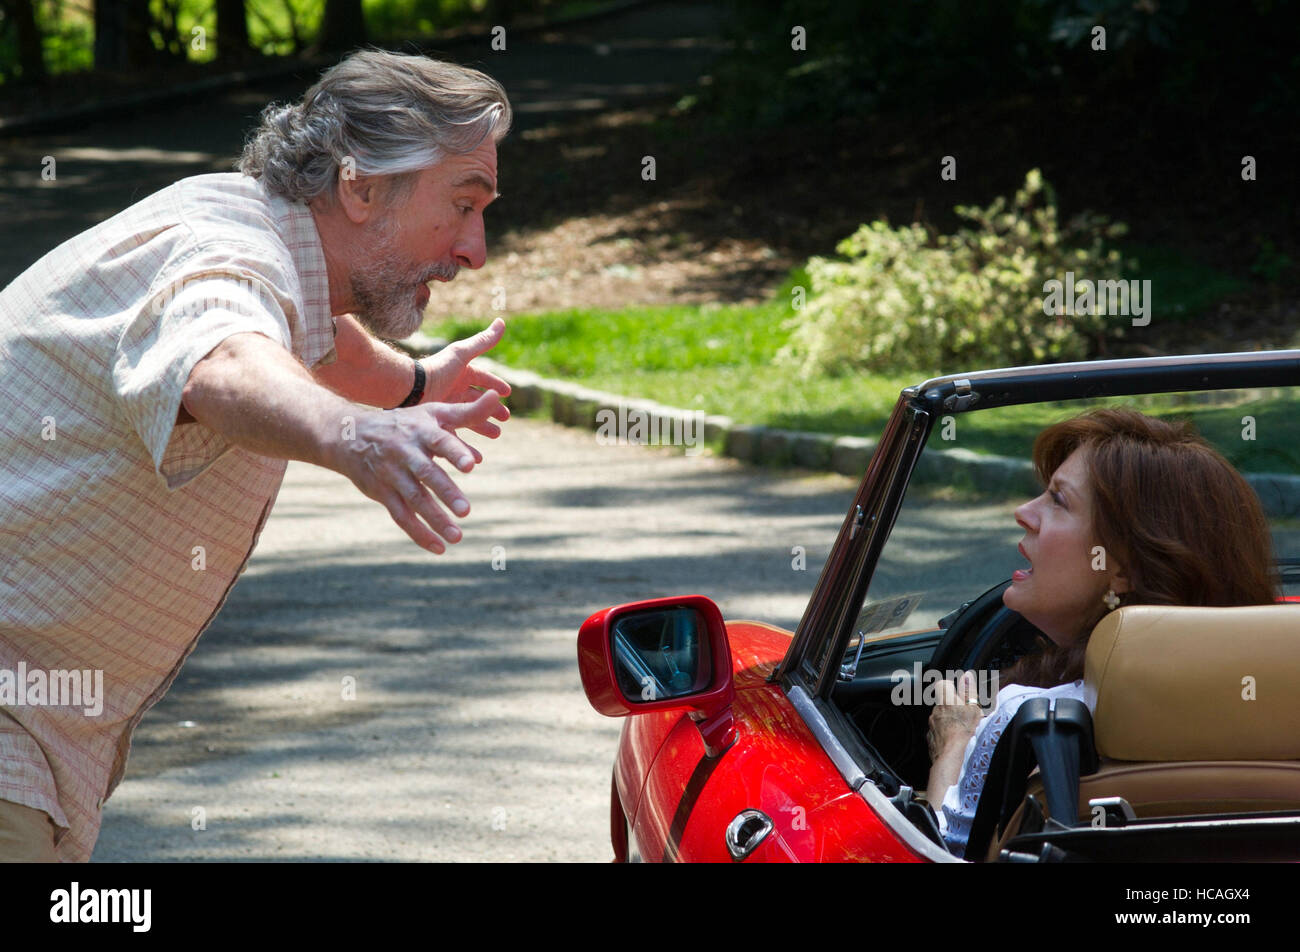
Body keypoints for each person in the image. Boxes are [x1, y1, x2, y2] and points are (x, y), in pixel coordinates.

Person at [0, 50, 513, 861]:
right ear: (361, 187)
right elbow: (223, 358)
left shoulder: (267, 243)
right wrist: (352, 435)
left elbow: (305, 338)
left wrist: (414, 386)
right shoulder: (222, 252)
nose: (475, 249)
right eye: (461, 205)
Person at [925, 407, 1277, 856]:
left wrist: (953, 745)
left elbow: (943, 851)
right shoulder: (1270, 708)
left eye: (1058, 500)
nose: (1023, 512)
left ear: (1123, 570)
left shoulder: (1031, 718)